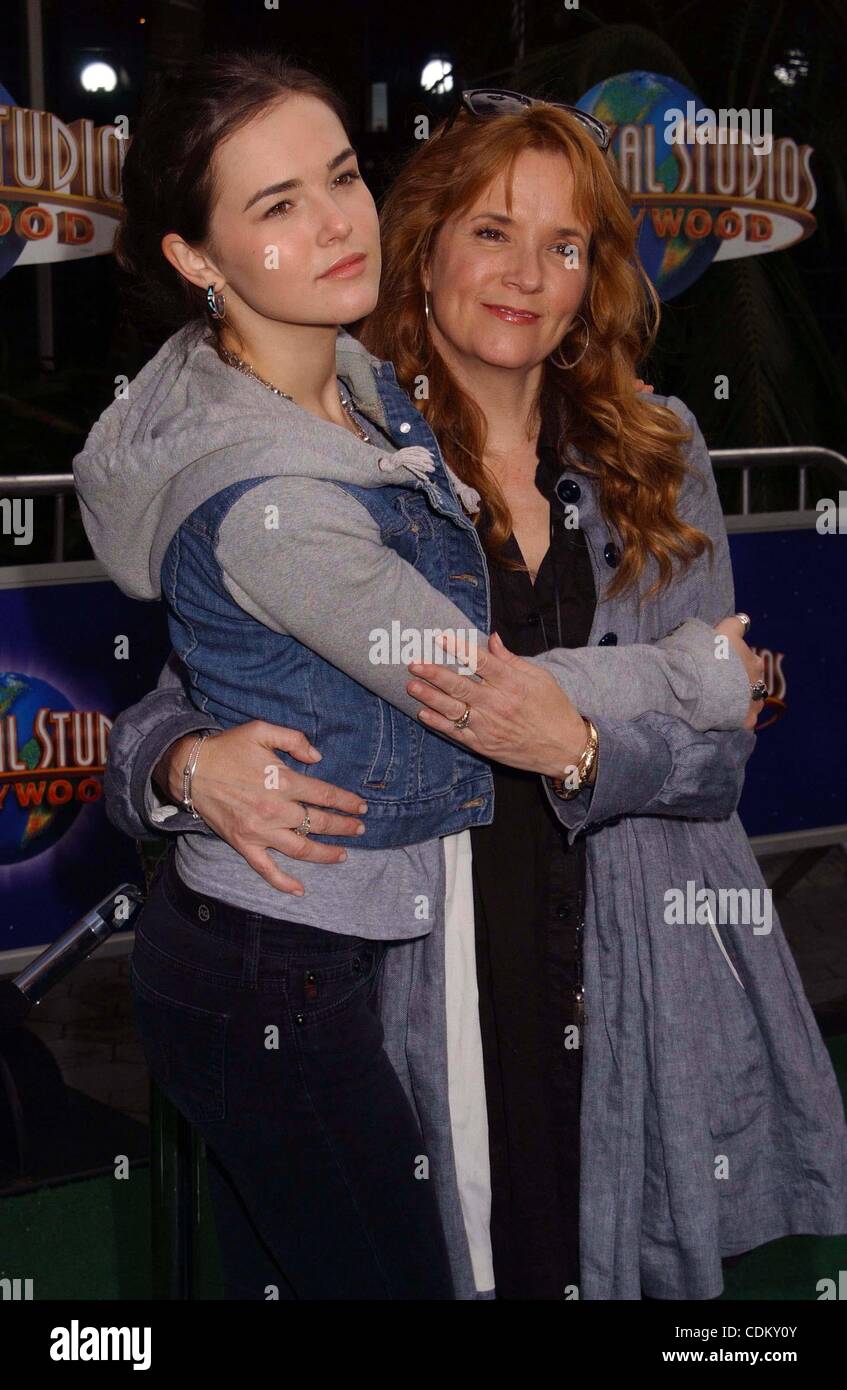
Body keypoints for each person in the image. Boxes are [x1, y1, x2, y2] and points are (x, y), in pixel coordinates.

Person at [77, 52, 846, 1302]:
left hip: (625, 946)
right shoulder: (352, 444)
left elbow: (723, 751)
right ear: (426, 248)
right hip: (424, 955)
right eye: (491, 231)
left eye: (565, 245)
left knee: (609, 1253)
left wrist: (583, 748)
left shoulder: (660, 448)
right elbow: (187, 687)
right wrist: (178, 766)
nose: (525, 275)